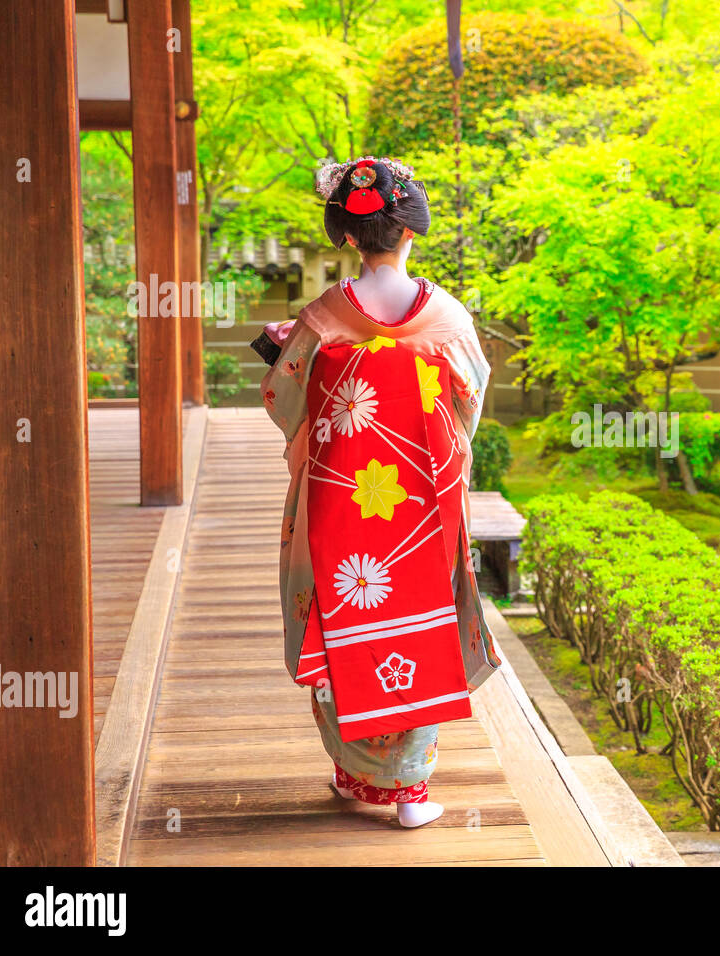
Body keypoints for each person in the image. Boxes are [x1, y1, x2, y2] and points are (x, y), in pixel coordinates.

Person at [261, 157, 500, 828]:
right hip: (423, 503)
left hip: (337, 502)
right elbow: (468, 404)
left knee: (337, 617)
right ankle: (411, 792)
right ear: (411, 235)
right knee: (424, 619)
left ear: (347, 236)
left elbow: (285, 400)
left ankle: (353, 774)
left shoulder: (322, 317)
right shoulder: (447, 318)